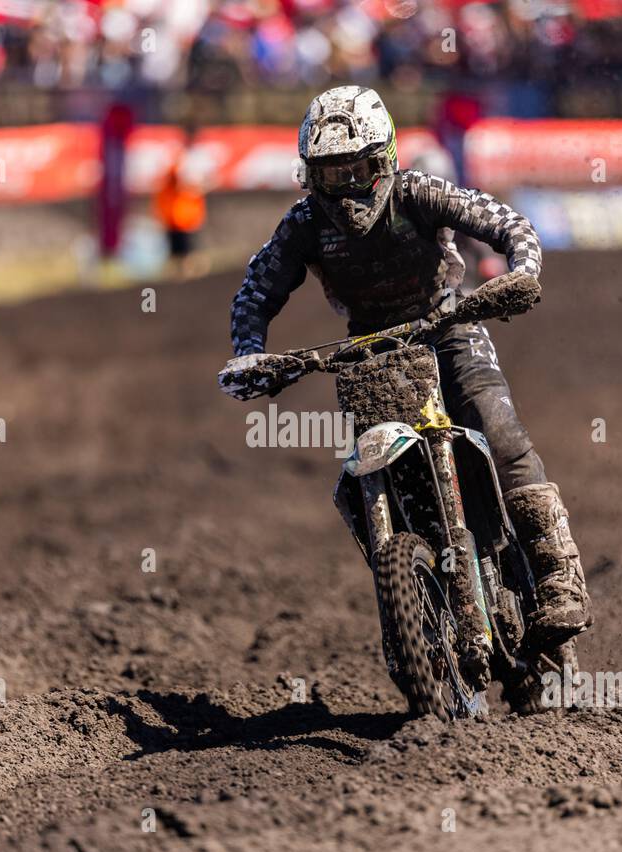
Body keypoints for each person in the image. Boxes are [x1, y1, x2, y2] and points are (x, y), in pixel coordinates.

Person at [217, 86, 592, 651]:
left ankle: (559, 578)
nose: (342, 190)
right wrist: (250, 350)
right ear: (309, 176)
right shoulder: (302, 225)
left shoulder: (418, 192)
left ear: (385, 159)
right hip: (370, 349)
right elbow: (255, 292)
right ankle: (414, 584)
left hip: (450, 326)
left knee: (500, 430)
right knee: (357, 469)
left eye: (356, 171)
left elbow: (506, 221)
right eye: (328, 175)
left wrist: (522, 271)